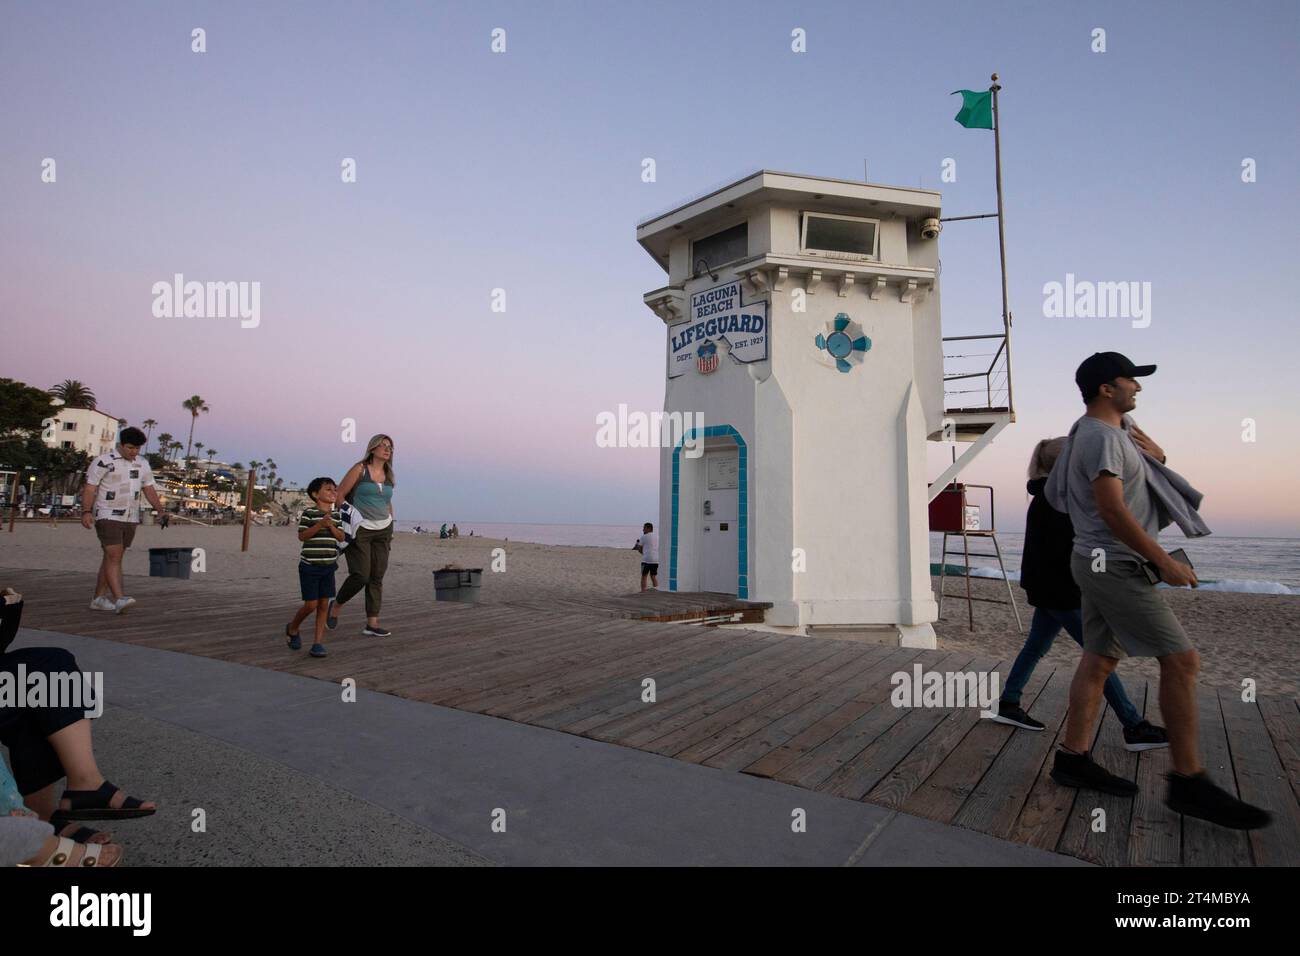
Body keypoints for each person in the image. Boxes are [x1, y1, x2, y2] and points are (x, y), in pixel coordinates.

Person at [1046, 352, 1269, 830]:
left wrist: (1158, 460)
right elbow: (1111, 509)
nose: (1138, 388)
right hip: (1116, 565)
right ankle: (1189, 782)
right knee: (1182, 660)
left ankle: (1073, 759)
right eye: (1131, 380)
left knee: (1100, 660)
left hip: (1095, 560)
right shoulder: (1103, 438)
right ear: (1107, 388)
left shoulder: (1093, 432)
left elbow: (1067, 493)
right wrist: (1162, 560)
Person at [992, 437, 1168, 751]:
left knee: (1036, 646)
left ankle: (1009, 702)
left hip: (1046, 586)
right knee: (1099, 655)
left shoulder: (1048, 496)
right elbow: (1120, 509)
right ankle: (1134, 726)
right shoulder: (1064, 499)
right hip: (1062, 590)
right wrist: (1154, 462)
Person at [80, 426, 164, 614]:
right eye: (130, 447)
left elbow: (148, 488)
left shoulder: (142, 464)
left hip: (130, 516)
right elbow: (90, 488)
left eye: (137, 448)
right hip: (108, 514)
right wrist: (86, 511)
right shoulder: (103, 462)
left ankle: (98, 598)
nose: (134, 452)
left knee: (112, 558)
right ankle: (119, 598)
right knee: (114, 556)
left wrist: (160, 510)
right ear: (121, 444)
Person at [329, 435, 395, 637]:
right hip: (361, 529)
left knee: (377, 576)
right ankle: (337, 605)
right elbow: (339, 495)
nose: (387, 449)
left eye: (390, 447)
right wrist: (352, 515)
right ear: (372, 448)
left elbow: (387, 501)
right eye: (382, 446)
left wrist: (392, 521)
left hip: (383, 529)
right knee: (361, 575)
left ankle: (372, 623)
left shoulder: (389, 474)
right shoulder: (360, 469)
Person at [286, 478, 344, 658]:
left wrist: (331, 526)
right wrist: (320, 524)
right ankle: (293, 627)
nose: (333, 492)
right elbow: (302, 536)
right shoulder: (309, 513)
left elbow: (341, 537)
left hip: (328, 567)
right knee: (311, 605)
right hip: (310, 566)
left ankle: (317, 643)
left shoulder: (336, 515)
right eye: (328, 490)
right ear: (315, 494)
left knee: (323, 605)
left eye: (334, 490)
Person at [634, 522, 659, 591]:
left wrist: (643, 553)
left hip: (646, 560)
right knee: (653, 576)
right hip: (656, 560)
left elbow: (639, 548)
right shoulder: (657, 536)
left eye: (644, 528)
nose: (643, 530)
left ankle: (643, 591)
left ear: (648, 528)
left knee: (644, 576)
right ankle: (656, 589)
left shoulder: (644, 537)